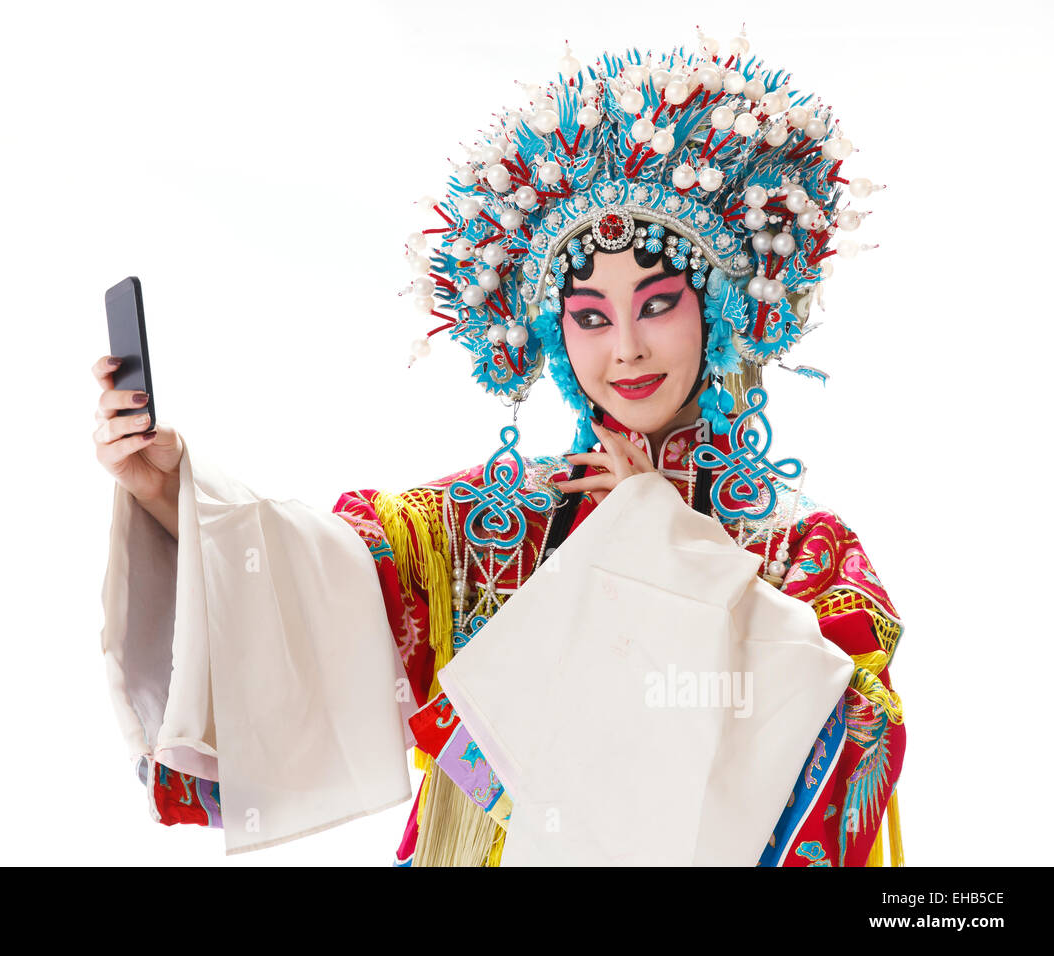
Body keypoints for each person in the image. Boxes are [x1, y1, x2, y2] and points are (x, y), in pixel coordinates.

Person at [92, 27, 905, 866]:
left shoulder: (802, 546)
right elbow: (319, 588)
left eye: (658, 304)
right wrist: (174, 495)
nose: (626, 348)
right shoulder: (494, 522)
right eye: (590, 316)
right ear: (553, 332)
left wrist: (656, 538)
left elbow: (853, 741)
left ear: (723, 308)